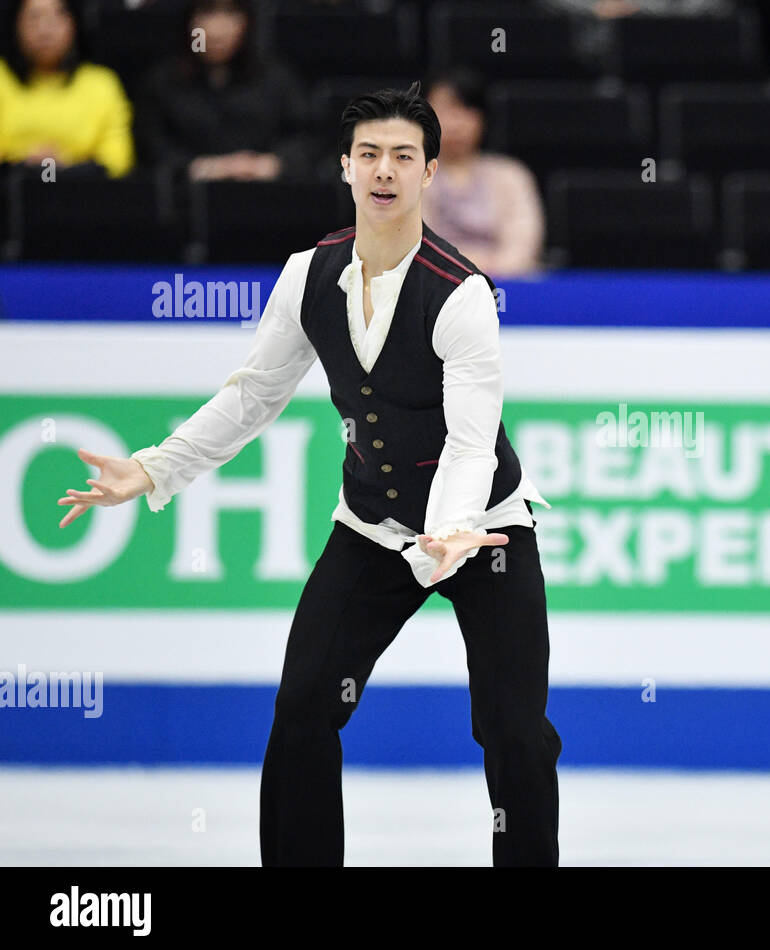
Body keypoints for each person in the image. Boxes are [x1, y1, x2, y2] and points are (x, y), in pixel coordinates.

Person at [56, 82, 562, 867]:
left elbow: (469, 441)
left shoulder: (462, 294)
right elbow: (254, 394)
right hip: (369, 529)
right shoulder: (308, 274)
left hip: (484, 531)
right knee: (301, 711)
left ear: (430, 172)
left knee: (514, 731)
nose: (384, 171)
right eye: (369, 155)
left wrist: (450, 530)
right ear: (345, 166)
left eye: (402, 155)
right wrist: (153, 470)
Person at [134, 0, 316, 182]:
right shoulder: (163, 81)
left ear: (248, 22)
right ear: (189, 22)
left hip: (266, 194)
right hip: (187, 198)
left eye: (230, 14)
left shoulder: (278, 79)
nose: (216, 29)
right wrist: (202, 167)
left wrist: (272, 164)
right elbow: (151, 147)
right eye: (207, 13)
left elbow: (306, 138)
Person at [420, 70, 545, 279]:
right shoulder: (410, 178)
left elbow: (523, 248)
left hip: (505, 285)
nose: (455, 123)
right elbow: (418, 250)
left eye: (465, 109)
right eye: (444, 110)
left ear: (482, 117)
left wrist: (488, 274)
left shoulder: (512, 175)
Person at [0, 0, 134, 178]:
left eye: (57, 16)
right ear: (15, 25)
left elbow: (117, 161)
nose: (44, 30)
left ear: (75, 23)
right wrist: (27, 166)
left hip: (83, 191)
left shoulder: (101, 84)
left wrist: (65, 169)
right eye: (34, 18)